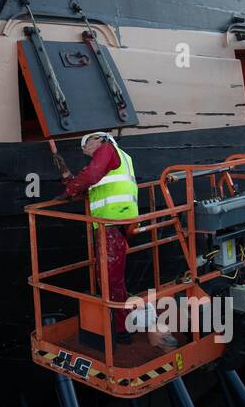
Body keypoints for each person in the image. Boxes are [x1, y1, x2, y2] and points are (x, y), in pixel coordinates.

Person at [61, 131, 175, 349]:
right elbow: (99, 182)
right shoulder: (122, 156)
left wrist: (69, 189)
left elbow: (91, 175)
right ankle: (120, 321)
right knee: (114, 276)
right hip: (123, 220)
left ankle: (120, 330)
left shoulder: (106, 150)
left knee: (111, 278)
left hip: (110, 223)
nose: (84, 150)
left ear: (100, 140)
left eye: (86, 144)